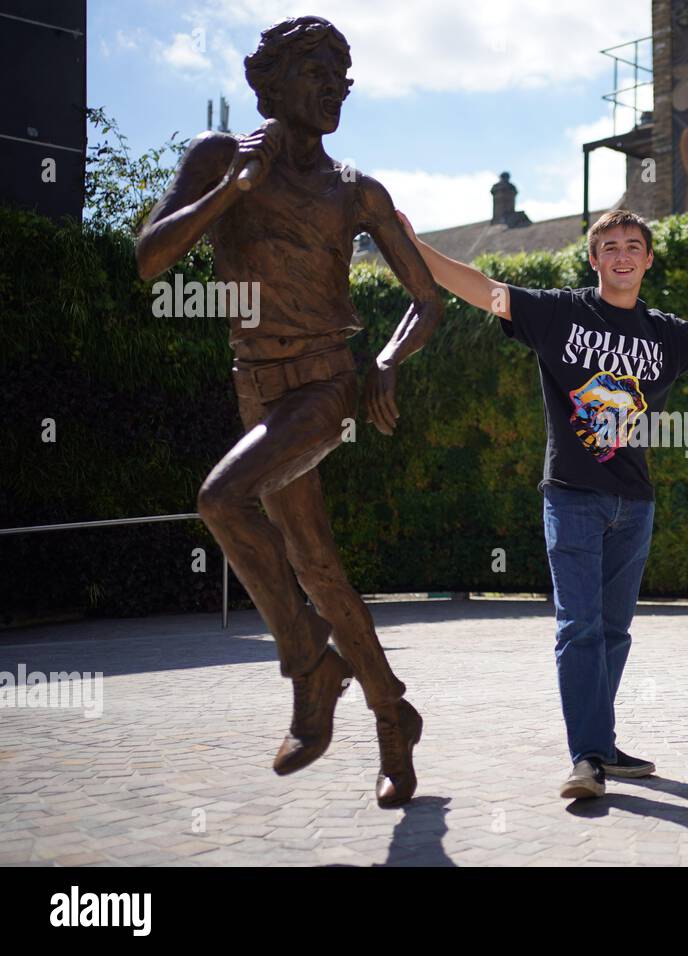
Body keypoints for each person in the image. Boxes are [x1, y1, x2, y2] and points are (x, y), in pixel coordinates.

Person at [398, 207, 688, 798]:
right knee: (579, 627)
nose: (621, 254)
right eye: (610, 246)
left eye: (633, 246)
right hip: (570, 497)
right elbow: (486, 290)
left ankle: (602, 743)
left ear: (647, 259)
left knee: (614, 631)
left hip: (634, 504)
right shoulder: (560, 314)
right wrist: (415, 246)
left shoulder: (664, 332)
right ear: (594, 259)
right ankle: (586, 758)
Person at [135, 16, 443, 808]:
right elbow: (150, 259)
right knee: (316, 566)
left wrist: (384, 361)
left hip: (325, 385)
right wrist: (230, 193)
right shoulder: (218, 158)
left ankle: (309, 663)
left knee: (221, 499)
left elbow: (426, 301)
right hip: (256, 387)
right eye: (318, 69)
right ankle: (391, 714)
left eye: (344, 73)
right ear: (270, 85)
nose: (336, 83)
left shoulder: (357, 191)